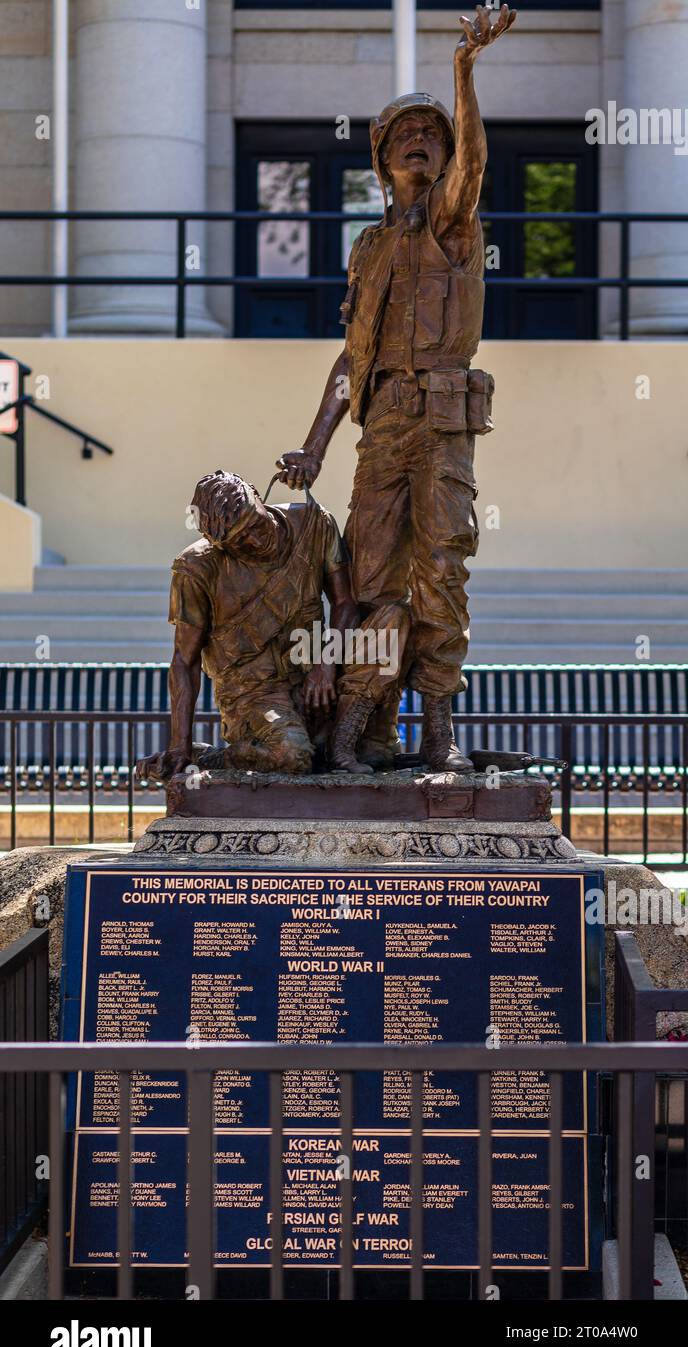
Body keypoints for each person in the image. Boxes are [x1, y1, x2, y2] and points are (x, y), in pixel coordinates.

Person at [277, 6, 516, 774]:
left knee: (442, 569)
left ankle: (439, 726)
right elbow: (351, 360)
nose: (422, 141)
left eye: (433, 134)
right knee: (371, 579)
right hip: (382, 429)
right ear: (381, 163)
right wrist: (313, 447)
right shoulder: (369, 247)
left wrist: (464, 71)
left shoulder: (454, 224)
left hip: (442, 422)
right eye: (404, 137)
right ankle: (359, 727)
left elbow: (474, 166)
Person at [136, 470, 359, 779]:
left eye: (255, 524)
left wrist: (327, 663)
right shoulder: (196, 570)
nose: (255, 541)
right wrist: (179, 747)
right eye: (238, 541)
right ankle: (212, 759)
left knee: (369, 746)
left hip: (314, 677)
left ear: (257, 495)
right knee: (291, 753)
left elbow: (345, 603)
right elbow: (184, 662)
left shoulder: (315, 524)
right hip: (256, 700)